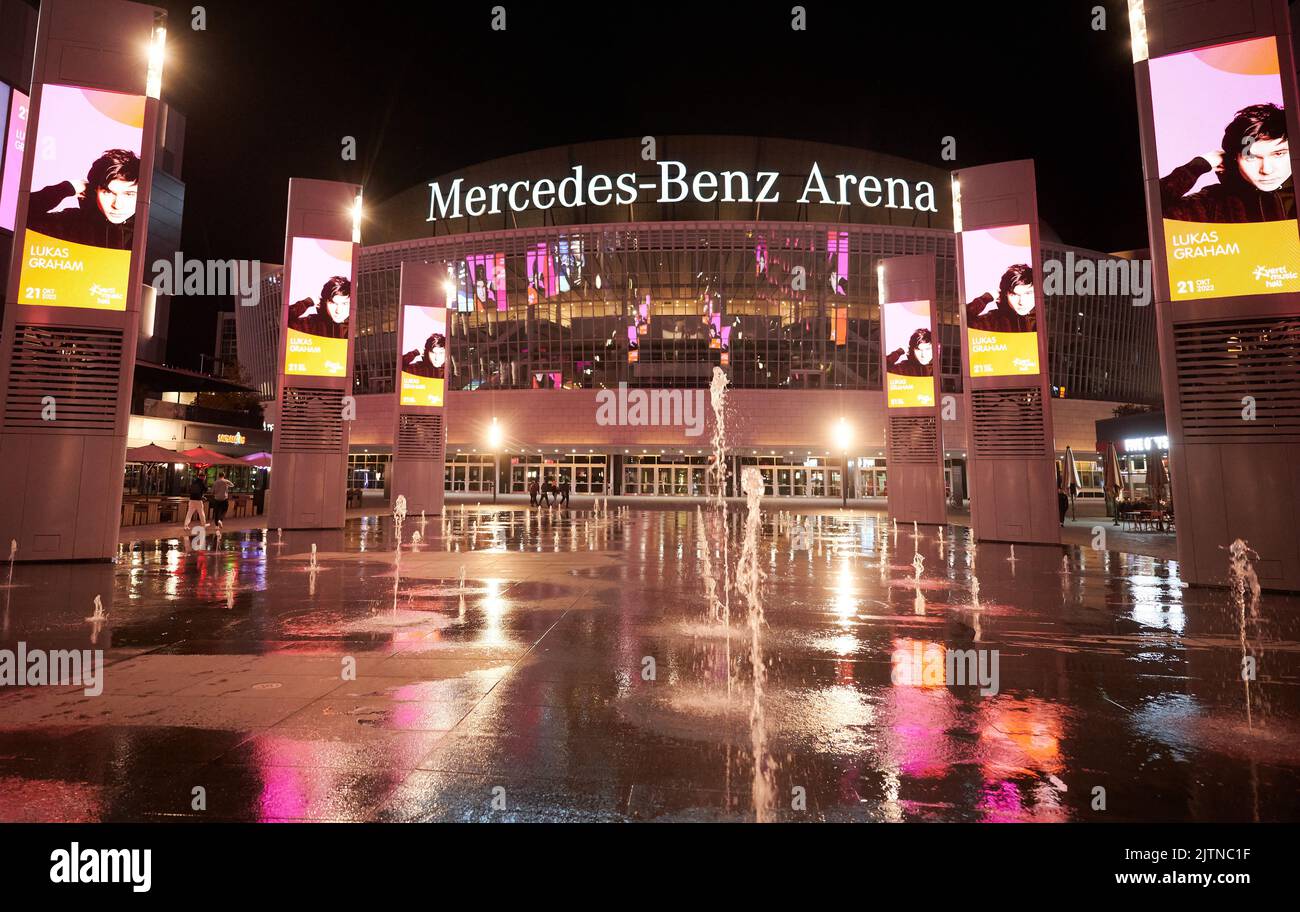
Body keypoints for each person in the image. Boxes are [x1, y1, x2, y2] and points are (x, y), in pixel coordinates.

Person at [1160, 103, 1294, 223]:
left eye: (1279, 154)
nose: (1267, 170)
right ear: (1235, 158)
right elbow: (1148, 215)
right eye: (1251, 157)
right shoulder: (1213, 203)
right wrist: (1198, 166)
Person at [27, 148, 139, 250]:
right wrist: (66, 188)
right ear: (95, 190)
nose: (117, 205)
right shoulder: (71, 223)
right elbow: (20, 216)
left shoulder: (148, 232)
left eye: (129, 194)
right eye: (108, 192)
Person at [967, 264, 1036, 334]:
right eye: (1014, 294)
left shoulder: (1045, 319)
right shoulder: (992, 321)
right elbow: (962, 323)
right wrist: (985, 298)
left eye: (1028, 293)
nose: (1022, 302)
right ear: (1005, 294)